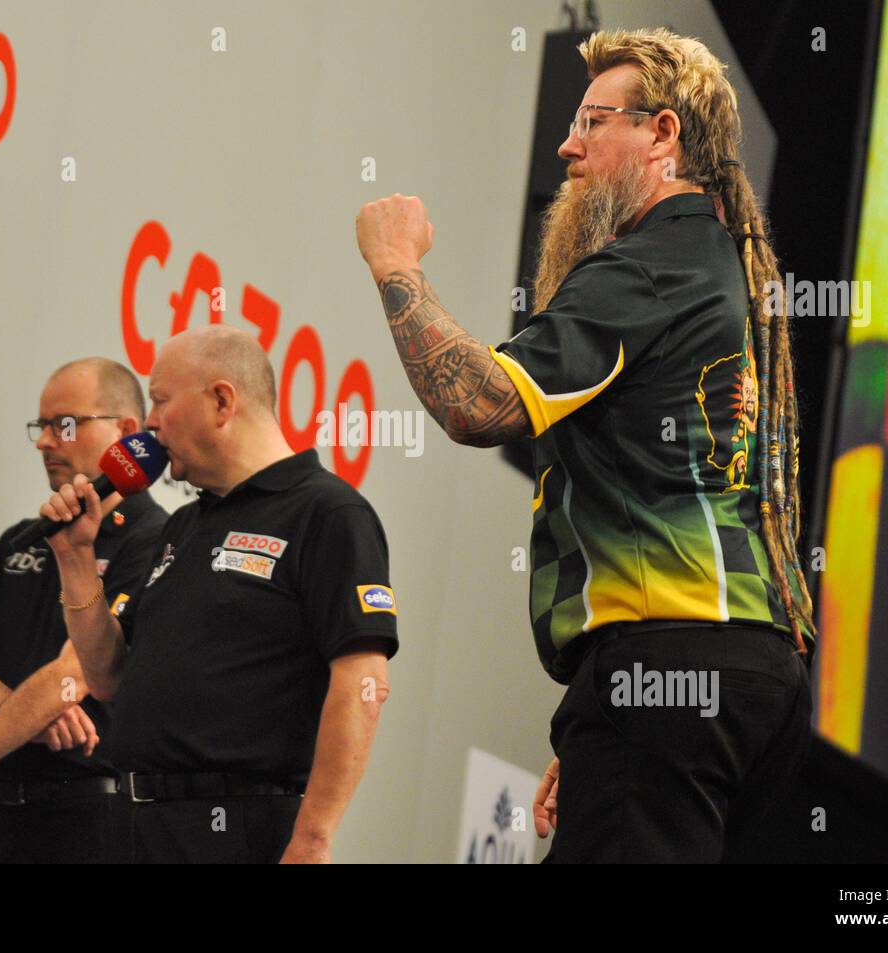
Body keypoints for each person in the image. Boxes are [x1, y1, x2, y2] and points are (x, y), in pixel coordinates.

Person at [355, 27, 816, 863]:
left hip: (670, 658)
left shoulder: (652, 263)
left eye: (593, 121)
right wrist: (619, 716)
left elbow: (484, 406)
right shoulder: (727, 272)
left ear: (662, 134)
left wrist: (395, 267)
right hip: (752, 680)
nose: (568, 146)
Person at [40, 325, 397, 863]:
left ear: (222, 401)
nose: (151, 422)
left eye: (160, 399)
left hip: (232, 830)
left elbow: (362, 681)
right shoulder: (184, 523)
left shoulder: (327, 513)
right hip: (132, 823)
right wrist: (75, 559)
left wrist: (314, 837)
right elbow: (109, 678)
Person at [0, 357, 169, 863]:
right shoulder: (21, 541)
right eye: (41, 426)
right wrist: (32, 718)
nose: (46, 441)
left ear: (126, 432)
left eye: (65, 424)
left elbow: (75, 673)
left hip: (86, 823)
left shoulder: (157, 543)